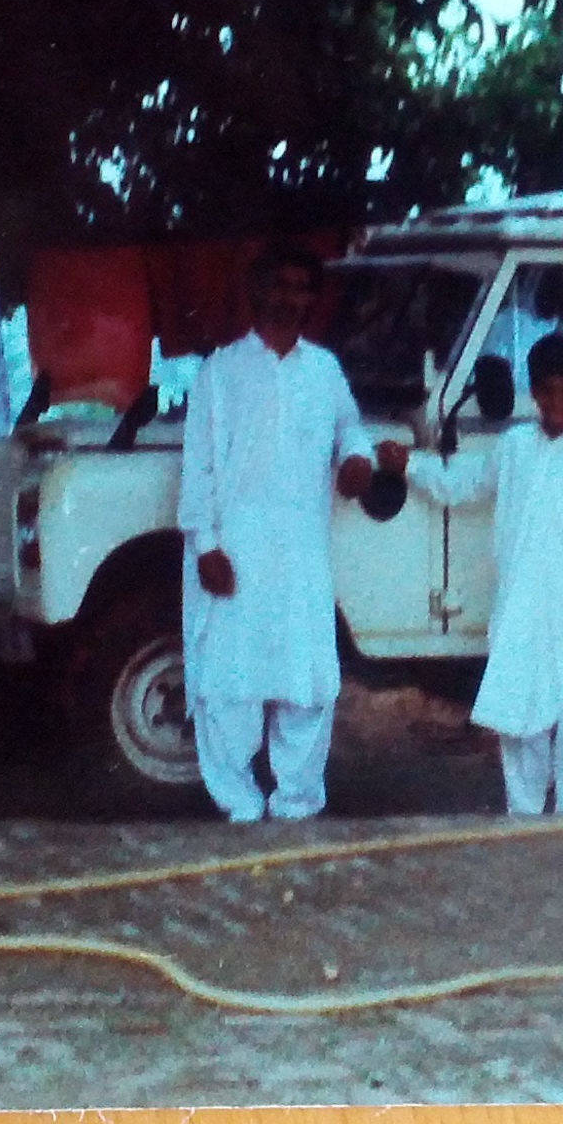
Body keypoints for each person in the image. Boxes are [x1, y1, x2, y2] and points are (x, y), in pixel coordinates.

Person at [380, 333, 563, 817]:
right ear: (533, 393)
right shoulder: (514, 447)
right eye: (547, 391)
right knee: (519, 716)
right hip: (519, 607)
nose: (556, 402)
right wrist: (410, 464)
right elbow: (462, 484)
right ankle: (524, 817)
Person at [178, 245, 376, 822]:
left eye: (302, 288)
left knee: (304, 679)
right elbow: (199, 466)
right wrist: (208, 545)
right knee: (230, 681)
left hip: (301, 550)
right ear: (257, 291)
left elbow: (351, 431)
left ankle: (296, 804)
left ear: (312, 299)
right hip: (234, 548)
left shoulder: (324, 369)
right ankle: (238, 803)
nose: (291, 298)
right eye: (280, 286)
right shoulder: (221, 372)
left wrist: (357, 461)